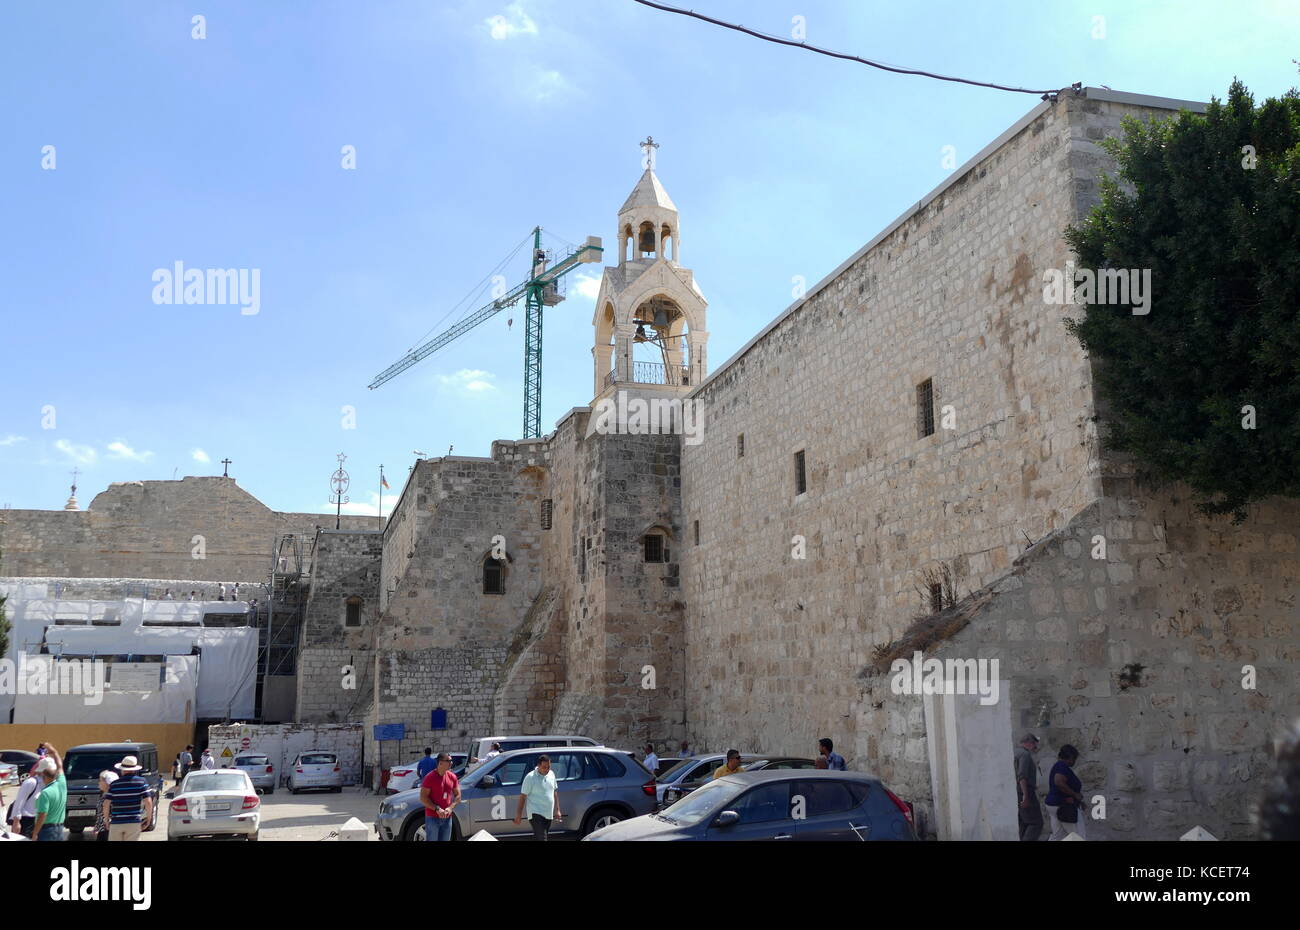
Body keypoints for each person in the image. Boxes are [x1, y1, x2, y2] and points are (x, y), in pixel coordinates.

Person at [104, 755, 154, 841]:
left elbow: (106, 804)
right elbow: (148, 802)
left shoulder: (114, 784)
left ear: (122, 769)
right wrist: (148, 818)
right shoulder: (142, 782)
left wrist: (106, 820)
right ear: (135, 769)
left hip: (116, 822)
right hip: (133, 822)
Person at [514, 755, 561, 841]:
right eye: (544, 767)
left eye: (548, 767)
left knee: (539, 837)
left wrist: (557, 810)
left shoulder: (551, 774)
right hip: (535, 813)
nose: (547, 769)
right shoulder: (530, 777)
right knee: (542, 838)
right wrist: (518, 815)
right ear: (538, 765)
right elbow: (523, 797)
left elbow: (554, 792)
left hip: (548, 813)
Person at [1045, 744, 1086, 840]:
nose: (1074, 761)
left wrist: (1079, 801)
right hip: (1064, 806)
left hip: (1054, 805)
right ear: (1070, 758)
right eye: (1074, 759)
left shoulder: (1058, 766)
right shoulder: (1062, 766)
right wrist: (1075, 794)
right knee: (1078, 836)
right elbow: (1059, 782)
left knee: (1059, 836)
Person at [419, 752, 461, 841]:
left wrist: (450, 808)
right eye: (448, 761)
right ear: (440, 763)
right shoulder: (429, 777)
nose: (451, 763)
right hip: (432, 818)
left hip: (447, 817)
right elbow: (423, 798)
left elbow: (458, 796)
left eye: (451, 760)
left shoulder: (452, 776)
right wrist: (437, 809)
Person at [30, 743, 67, 841]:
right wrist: (54, 752)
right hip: (59, 828)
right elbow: (60, 766)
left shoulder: (45, 793)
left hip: (46, 830)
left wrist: (35, 833)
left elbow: (42, 815)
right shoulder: (62, 784)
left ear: (43, 775)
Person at [1014, 733, 1043, 842]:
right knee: (1036, 823)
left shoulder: (1014, 753)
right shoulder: (1025, 755)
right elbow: (1022, 776)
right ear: (1030, 743)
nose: (1036, 746)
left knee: (1023, 823)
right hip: (1025, 792)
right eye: (1035, 743)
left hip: (1016, 793)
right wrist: (1026, 796)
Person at [8, 766, 42, 837]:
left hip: (38, 819)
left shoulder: (50, 783)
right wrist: (16, 822)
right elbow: (19, 802)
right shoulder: (31, 782)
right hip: (25, 821)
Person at [93, 770, 119, 841]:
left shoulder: (111, 797)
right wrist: (97, 827)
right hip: (102, 830)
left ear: (107, 783)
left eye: (100, 780)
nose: (98, 782)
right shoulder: (103, 795)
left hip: (108, 829)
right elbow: (100, 814)